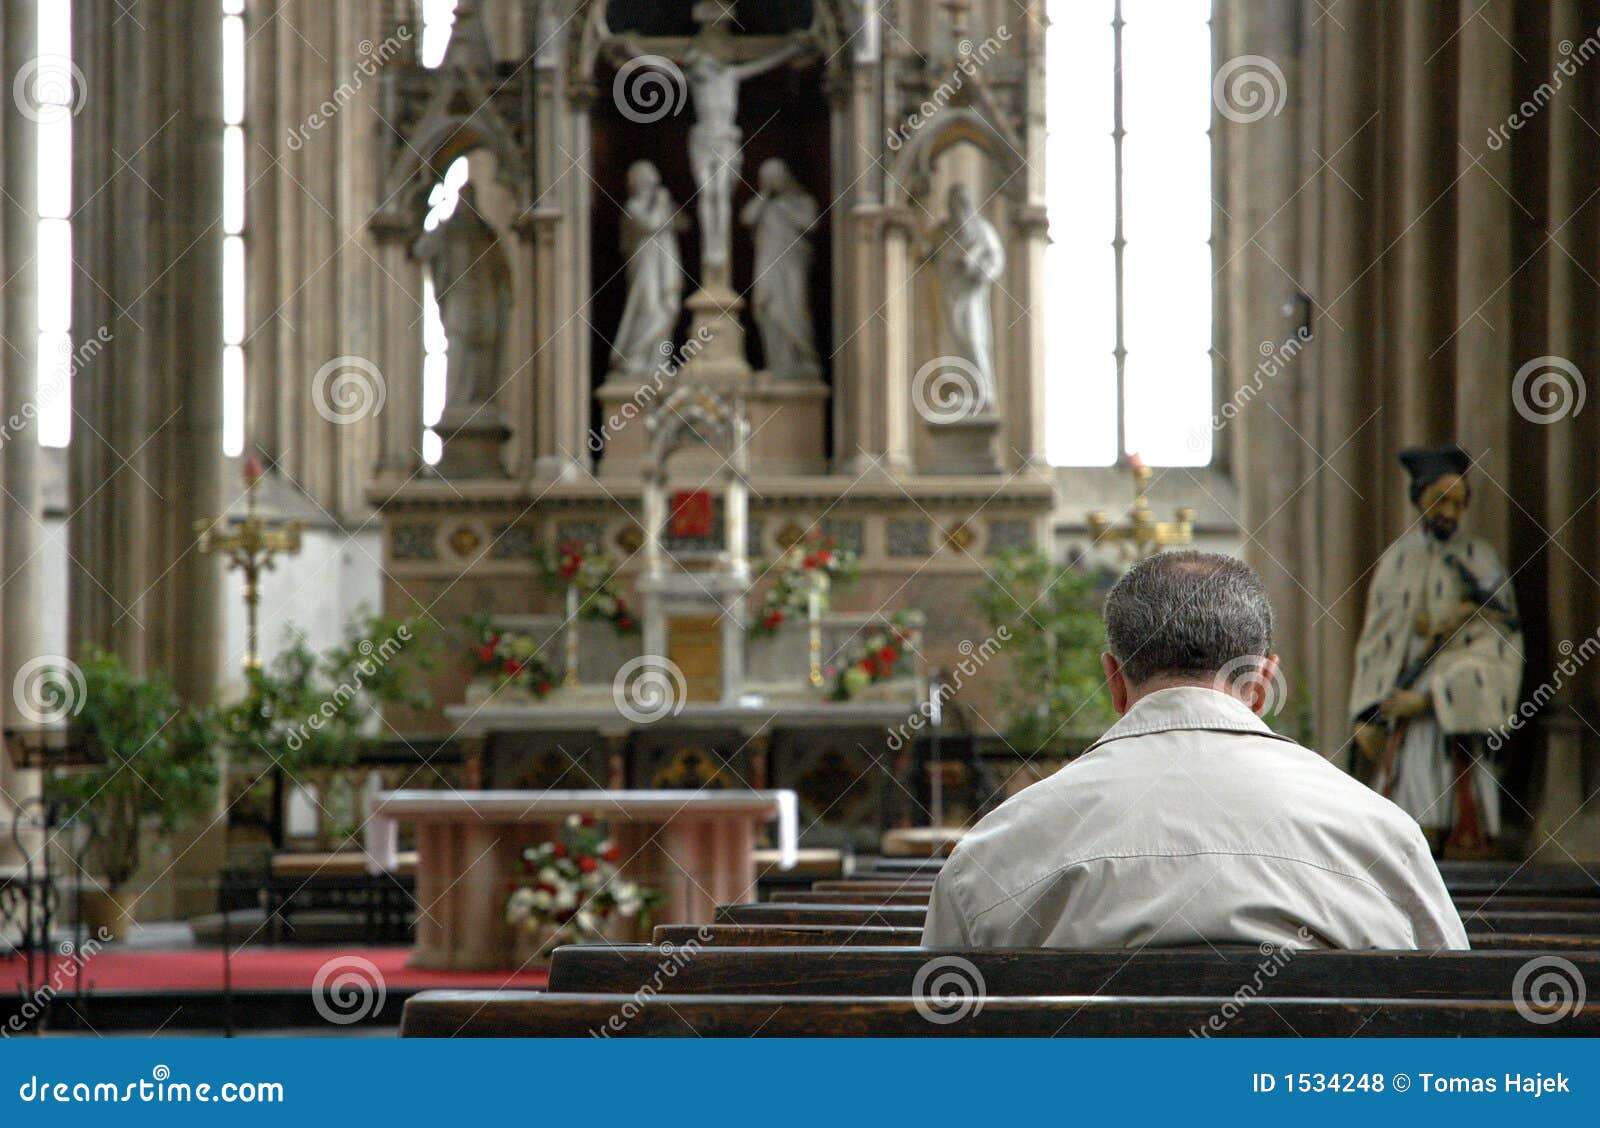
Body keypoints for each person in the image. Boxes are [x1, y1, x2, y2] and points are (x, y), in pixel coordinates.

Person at [922, 550, 1469, 951]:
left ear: (1113, 680)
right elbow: (1456, 1039)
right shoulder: (1383, 838)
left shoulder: (992, 856)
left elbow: (935, 1068)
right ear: (1261, 683)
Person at [1349, 445, 1523, 854]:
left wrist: (1428, 699)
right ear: (1420, 499)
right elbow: (1378, 641)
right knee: (1405, 825)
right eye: (1441, 500)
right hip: (1403, 720)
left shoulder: (1481, 561)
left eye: (1459, 503)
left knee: (1457, 822)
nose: (1450, 512)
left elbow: (1501, 644)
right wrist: (1366, 711)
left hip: (1453, 720)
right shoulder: (1398, 559)